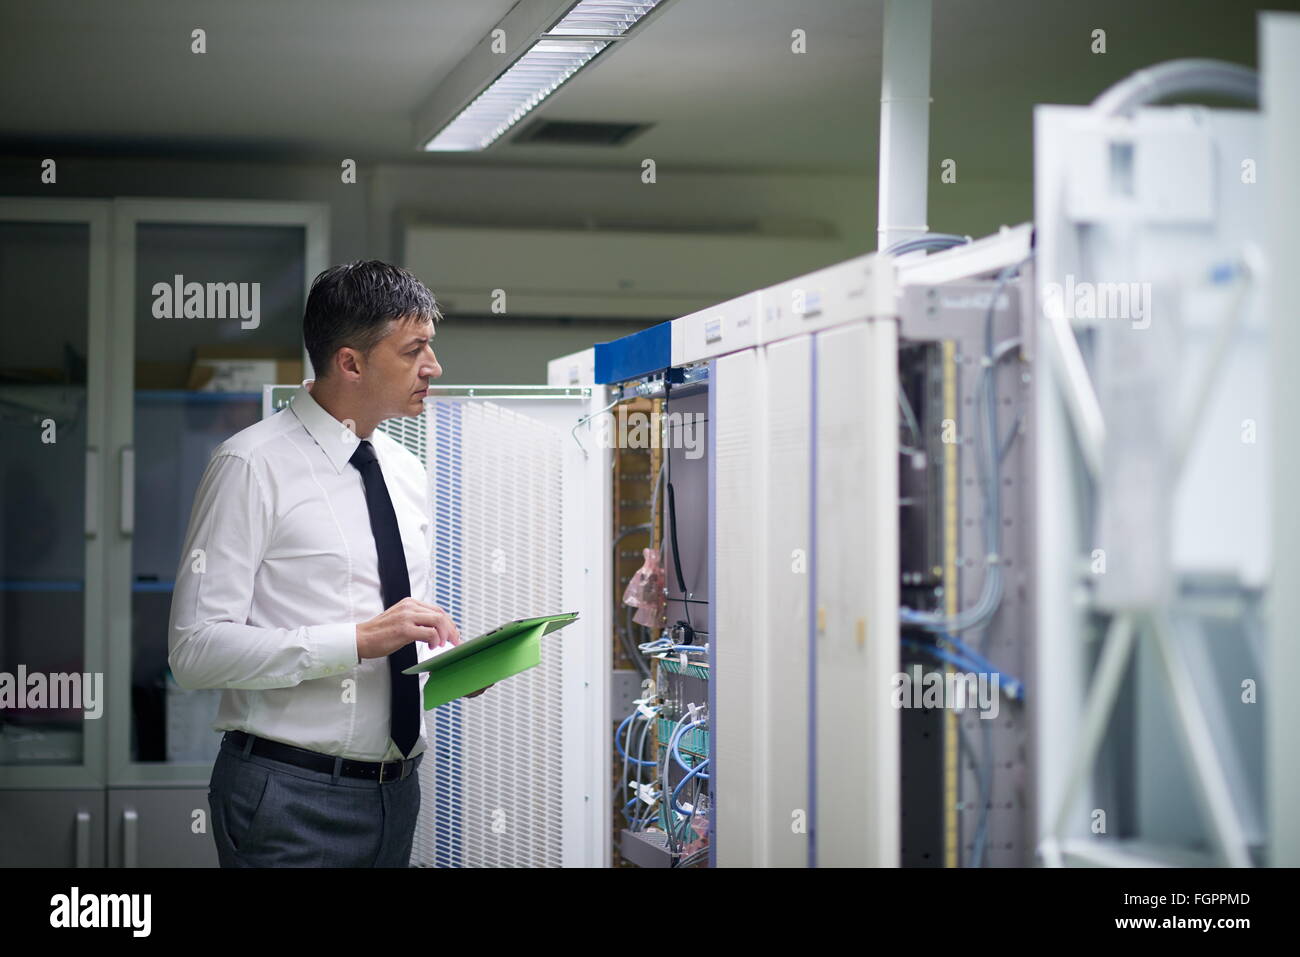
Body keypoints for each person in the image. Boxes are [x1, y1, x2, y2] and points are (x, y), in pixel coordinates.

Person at [168, 260, 492, 867]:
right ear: (350, 363)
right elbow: (194, 652)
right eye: (415, 349)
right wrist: (356, 641)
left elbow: (391, 632)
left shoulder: (405, 469)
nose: (434, 367)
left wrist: (450, 664)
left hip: (397, 795)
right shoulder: (249, 465)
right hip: (288, 795)